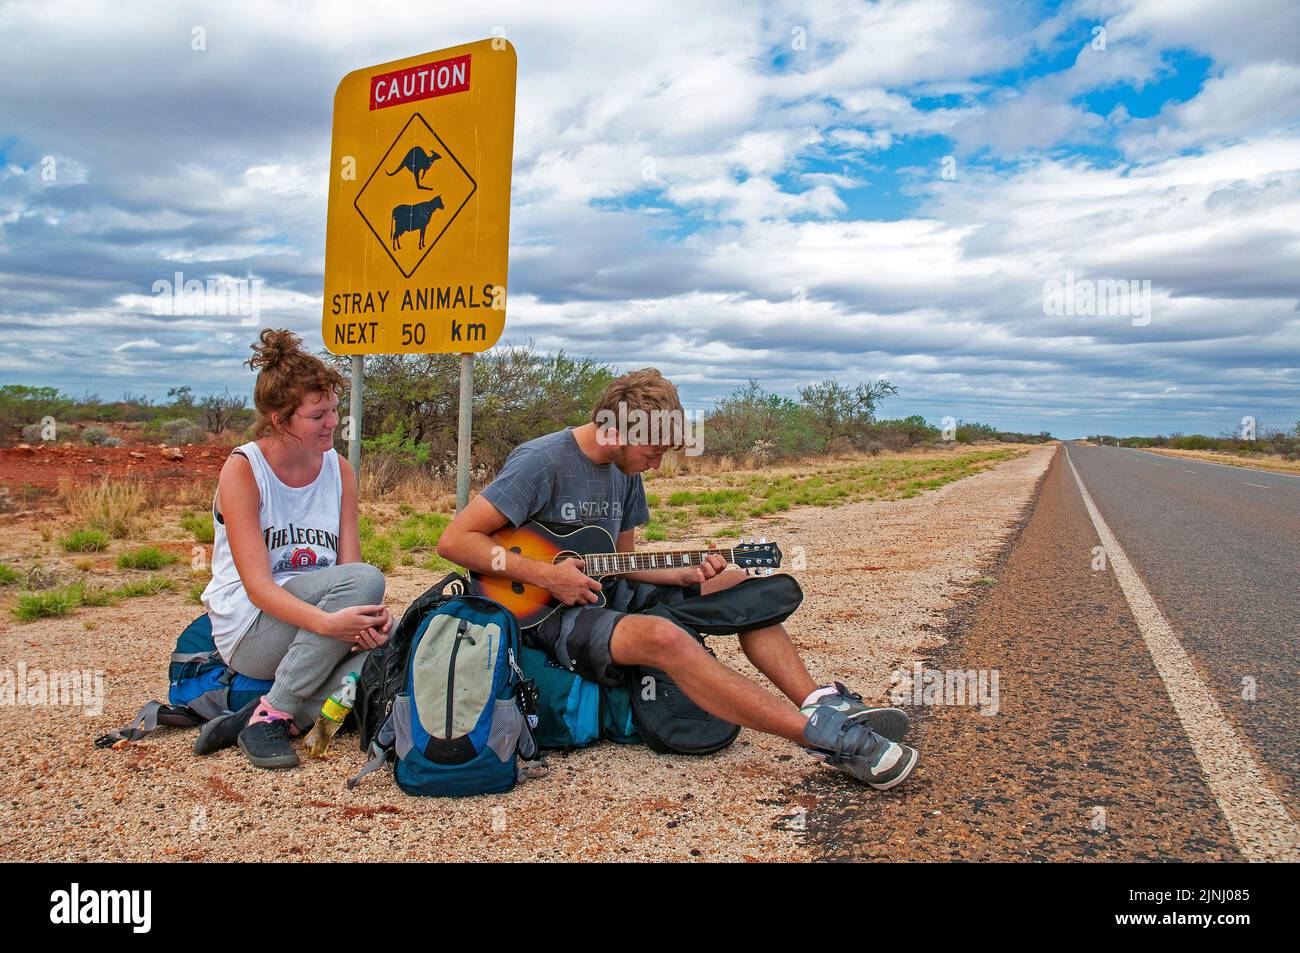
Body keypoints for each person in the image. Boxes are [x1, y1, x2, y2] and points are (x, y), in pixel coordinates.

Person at [436, 368, 919, 790]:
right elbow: (455, 541)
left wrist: (681, 573)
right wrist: (547, 574)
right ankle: (823, 740)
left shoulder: (625, 472)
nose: (657, 464)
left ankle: (819, 700)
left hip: (598, 590)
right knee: (664, 637)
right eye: (653, 451)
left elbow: (619, 563)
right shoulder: (541, 460)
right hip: (539, 613)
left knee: (736, 586)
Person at [193, 328, 391, 770]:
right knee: (368, 581)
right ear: (280, 420)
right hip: (252, 628)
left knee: (392, 644)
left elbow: (348, 567)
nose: (333, 422)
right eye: (317, 414)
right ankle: (274, 712)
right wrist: (331, 623)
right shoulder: (244, 470)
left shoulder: (339, 469)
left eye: (335, 410)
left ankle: (275, 716)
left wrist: (364, 622)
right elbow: (260, 588)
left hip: (314, 628)